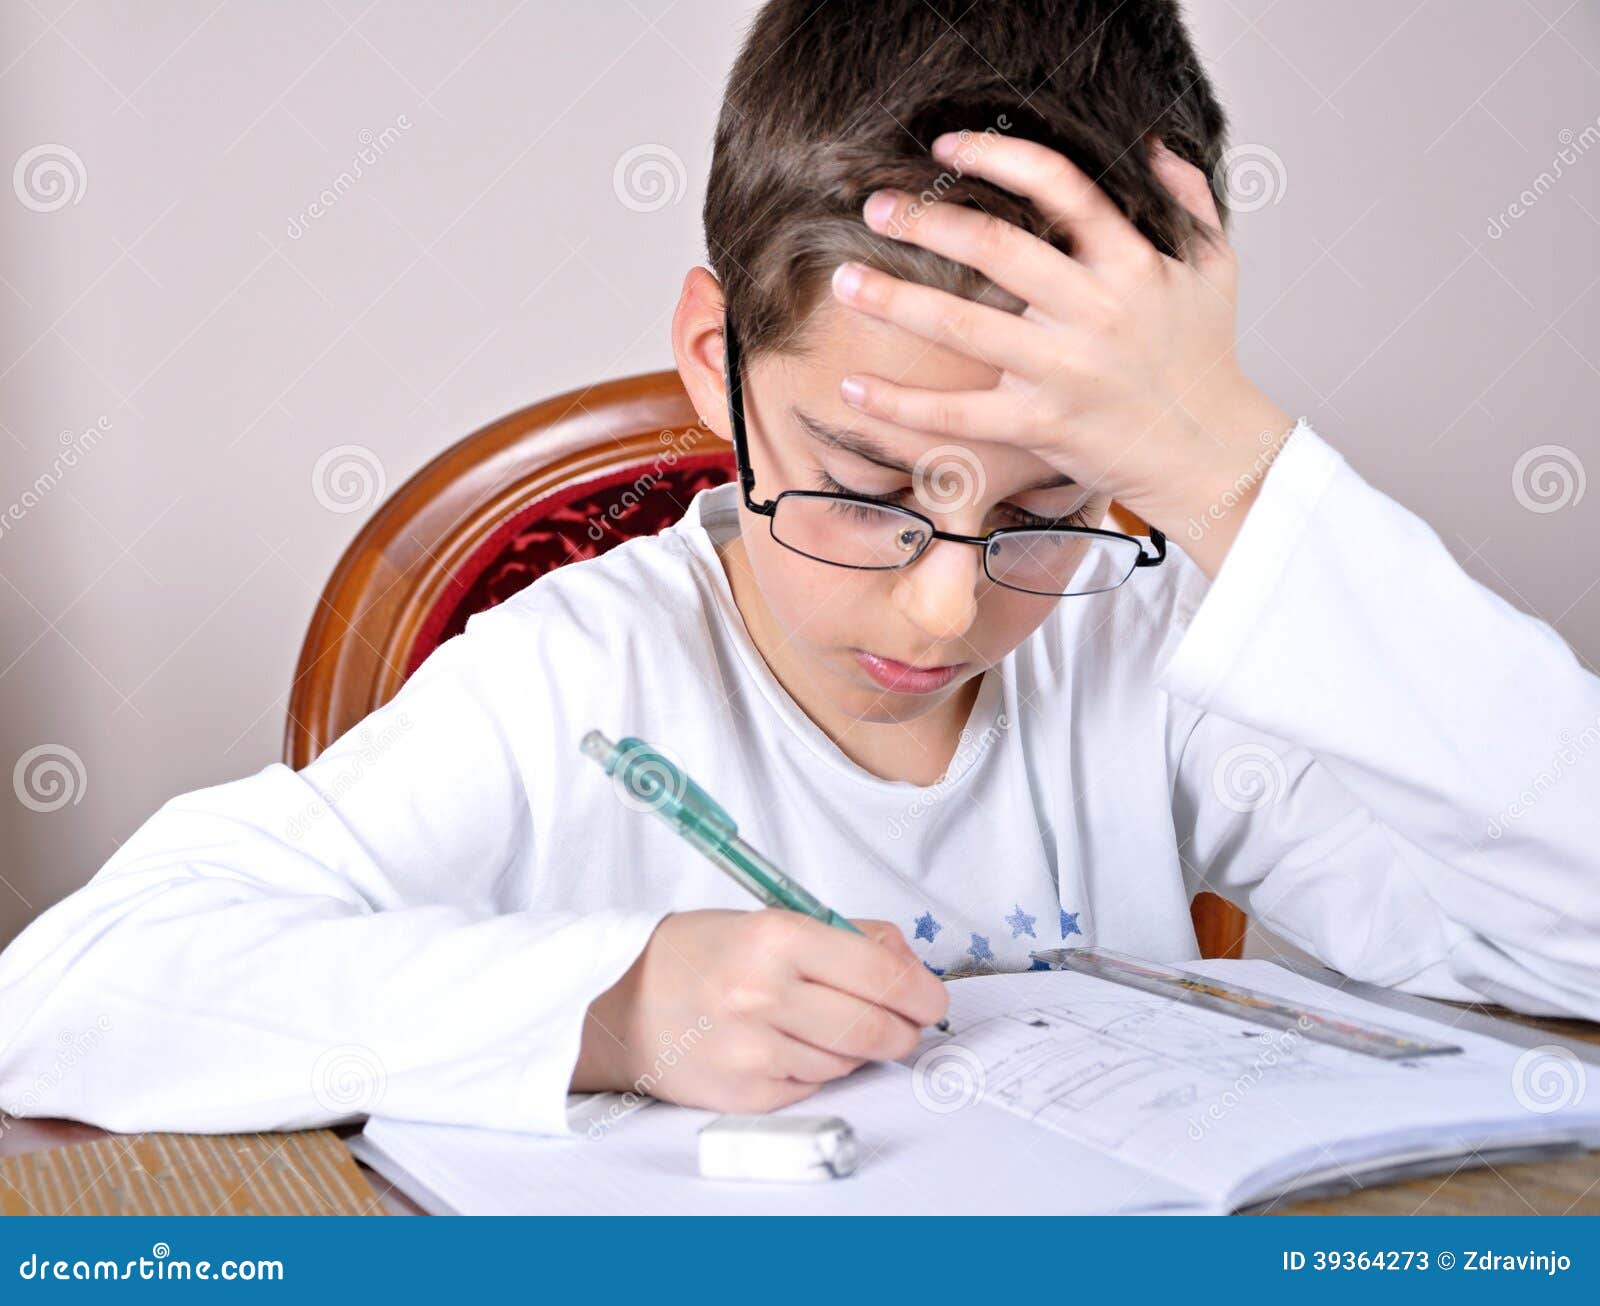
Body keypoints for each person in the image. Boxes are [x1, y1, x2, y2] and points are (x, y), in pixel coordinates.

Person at [1, 0, 1596, 1138]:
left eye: (1054, 506)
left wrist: (1231, 471)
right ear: (719, 361)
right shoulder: (576, 680)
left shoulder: (1144, 655)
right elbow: (71, 995)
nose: (947, 608)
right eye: (862, 487)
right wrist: (614, 1009)